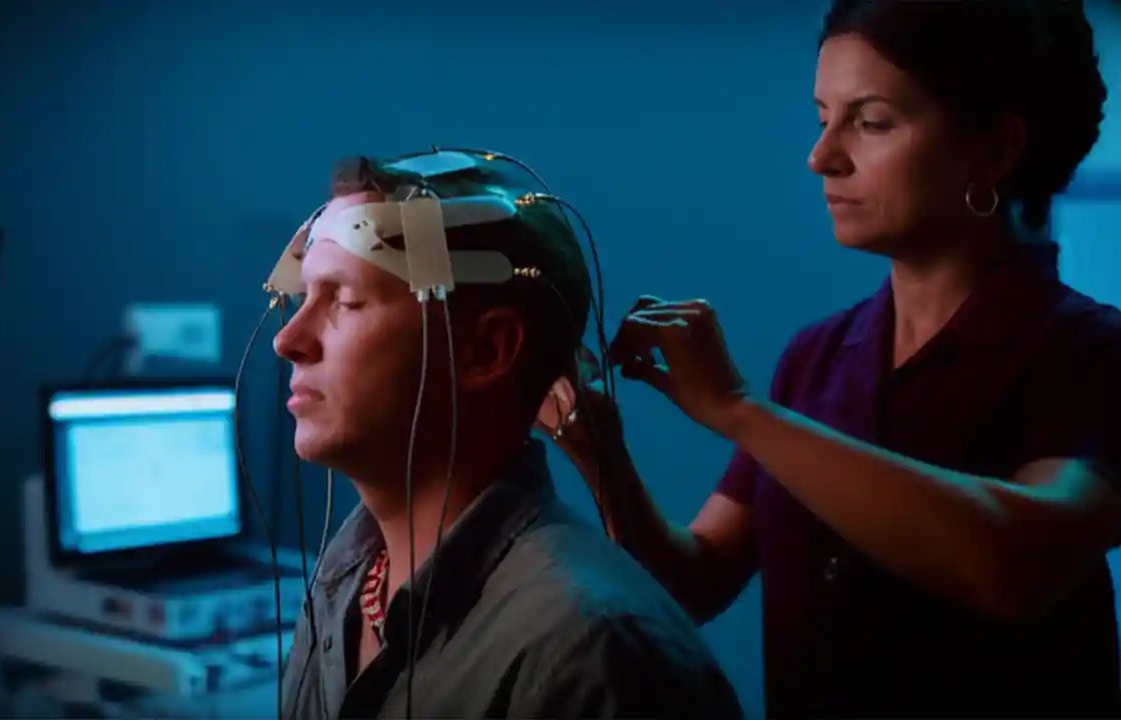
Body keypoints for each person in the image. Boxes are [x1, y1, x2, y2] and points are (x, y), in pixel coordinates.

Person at [540, 1, 1121, 717]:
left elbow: (1018, 565)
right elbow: (693, 581)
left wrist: (738, 412)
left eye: (871, 122)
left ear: (995, 149)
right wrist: (600, 450)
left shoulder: (1086, 349)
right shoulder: (817, 356)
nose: (822, 157)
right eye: (823, 119)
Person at [272, 153, 742, 719]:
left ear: (487, 350)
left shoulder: (594, 654)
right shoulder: (341, 581)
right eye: (303, 298)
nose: (289, 340)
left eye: (345, 301)